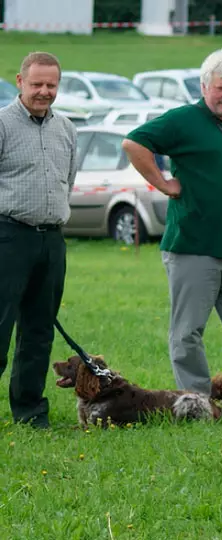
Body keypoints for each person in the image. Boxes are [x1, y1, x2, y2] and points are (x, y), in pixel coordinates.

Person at [121, 49, 222, 413]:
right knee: (188, 333)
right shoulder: (183, 120)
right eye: (221, 88)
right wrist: (162, 183)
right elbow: (133, 143)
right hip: (193, 248)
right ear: (204, 86)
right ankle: (197, 406)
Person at [0, 51, 78, 428]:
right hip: (8, 237)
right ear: (20, 82)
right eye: (37, 84)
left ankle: (30, 412)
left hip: (51, 242)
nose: (44, 91)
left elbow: (68, 181)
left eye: (51, 85)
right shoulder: (1, 125)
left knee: (39, 331)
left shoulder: (66, 128)